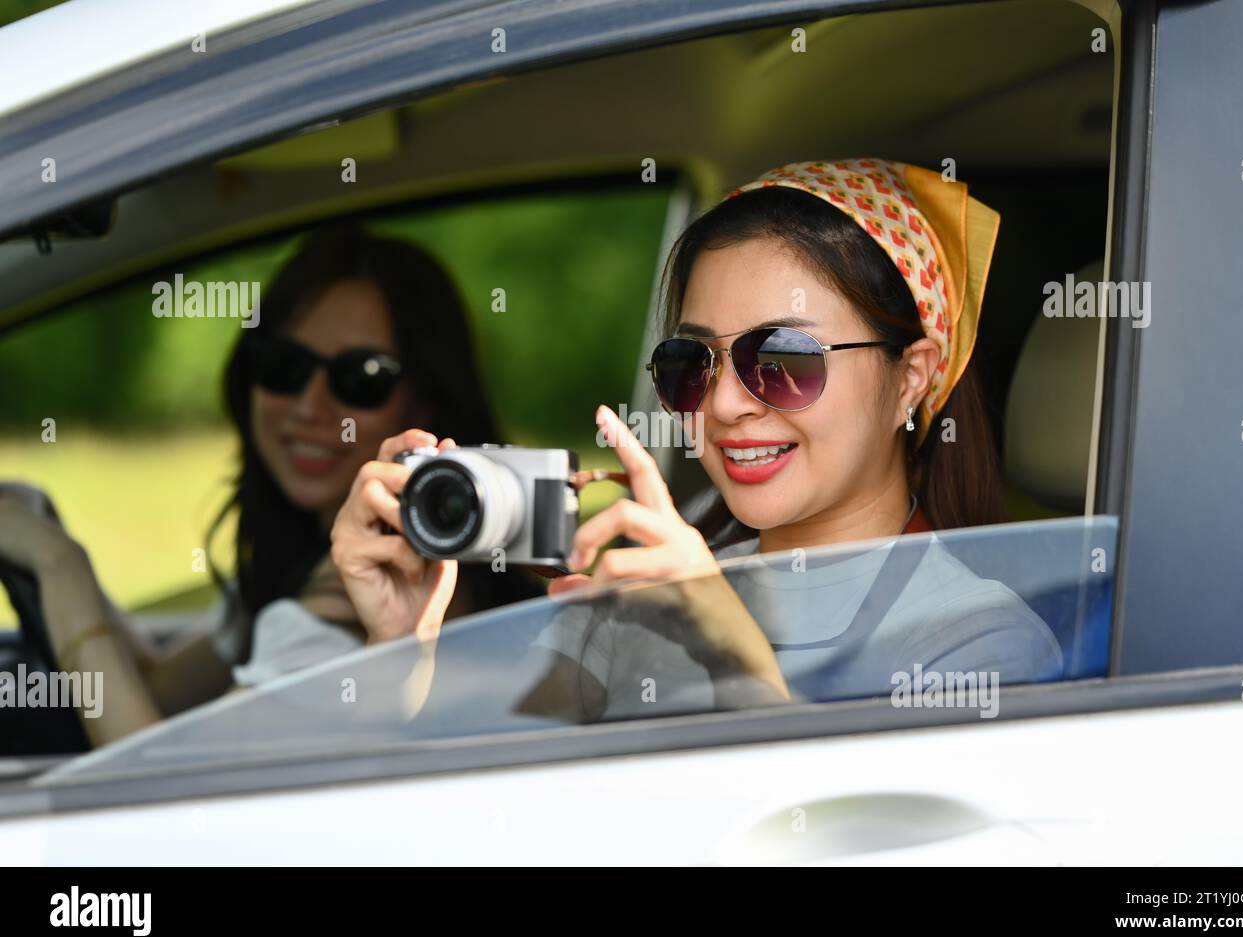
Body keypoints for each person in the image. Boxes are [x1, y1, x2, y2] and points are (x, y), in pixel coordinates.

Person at [330, 159, 1062, 722]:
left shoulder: (986, 640)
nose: (728, 404)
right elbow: (500, 819)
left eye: (783, 361)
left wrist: (727, 643)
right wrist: (401, 654)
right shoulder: (638, 598)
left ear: (910, 379)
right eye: (692, 365)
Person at [0, 224, 536, 745]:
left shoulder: (363, 600)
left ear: (426, 405)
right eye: (285, 366)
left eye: (361, 379)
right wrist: (41, 522)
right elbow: (160, 687)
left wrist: (57, 565)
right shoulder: (302, 559)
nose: (309, 407)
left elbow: (155, 777)